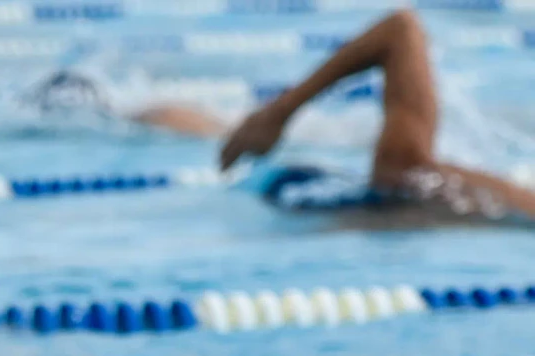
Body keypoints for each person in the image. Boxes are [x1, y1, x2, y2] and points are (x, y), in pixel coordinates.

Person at [40, 10, 535, 220]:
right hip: (368, 179)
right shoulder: (410, 170)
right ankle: (105, 104)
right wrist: (275, 115)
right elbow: (401, 29)